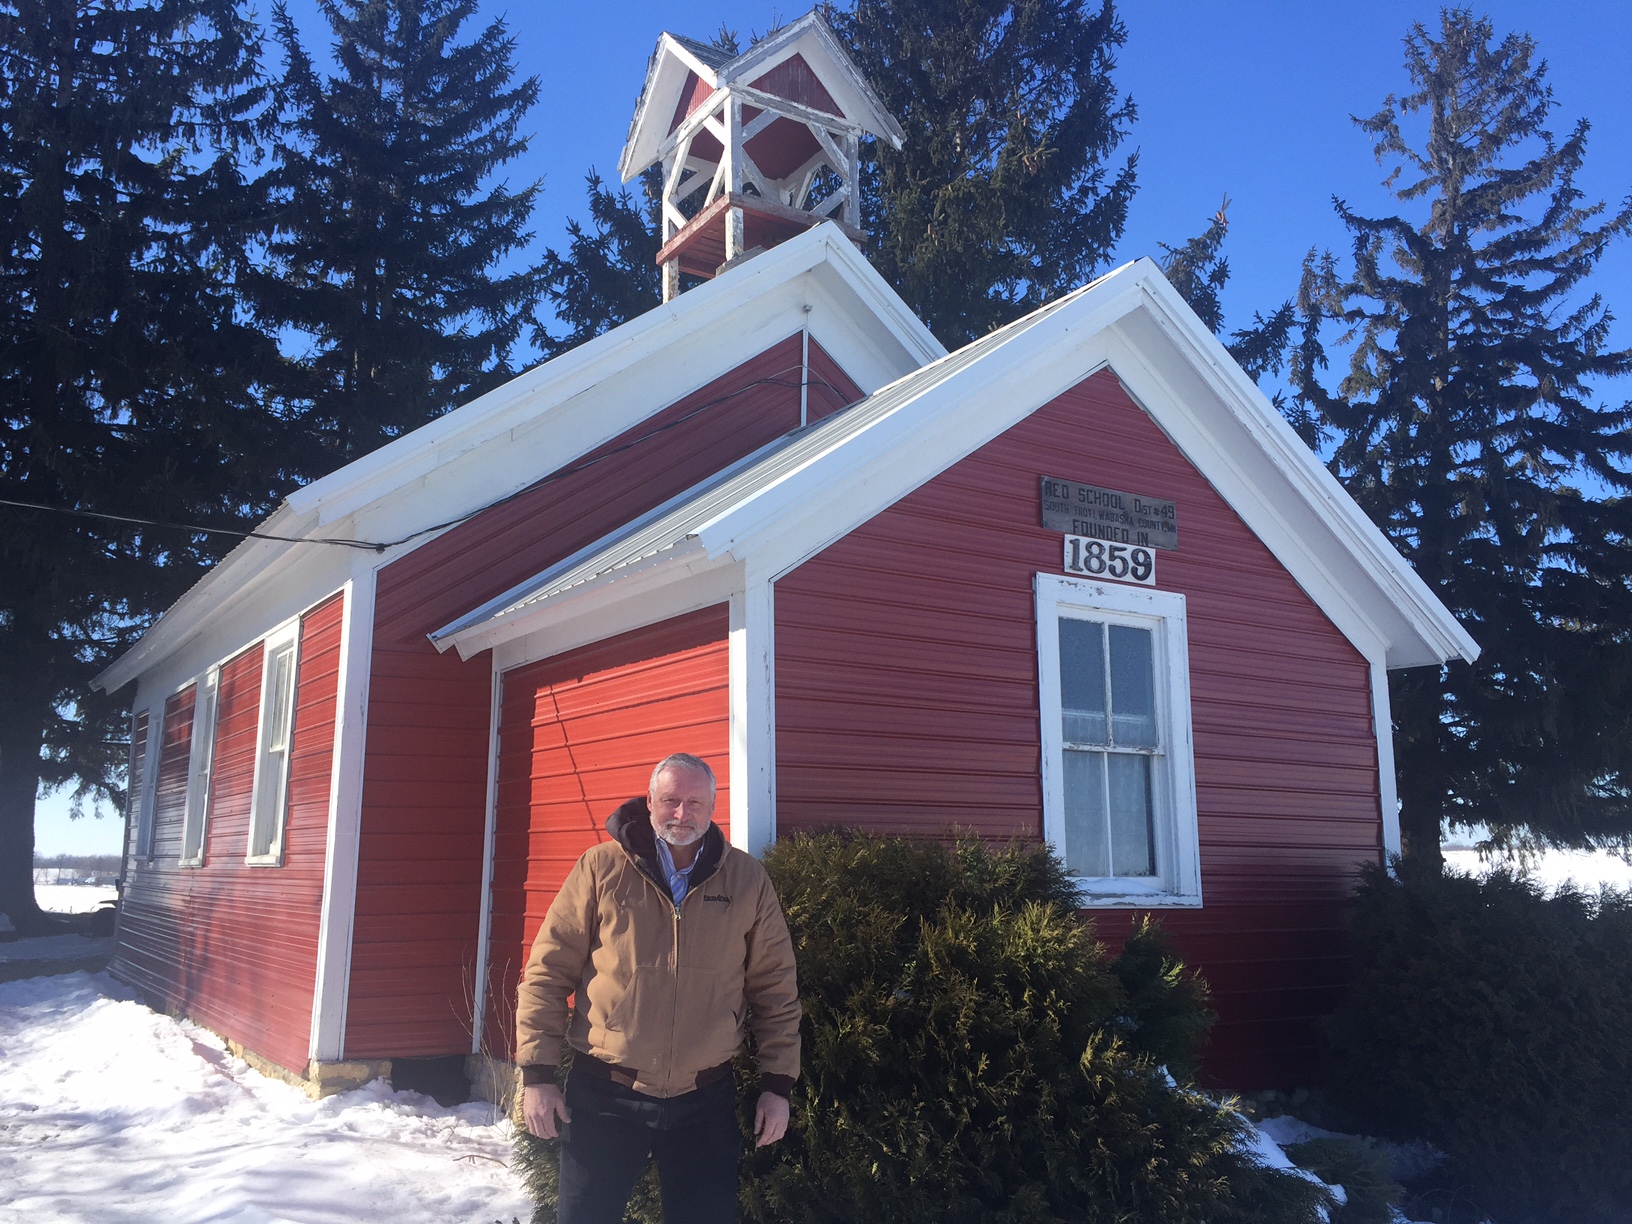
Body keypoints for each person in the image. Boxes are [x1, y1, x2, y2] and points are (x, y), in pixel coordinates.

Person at [516, 752, 801, 1224]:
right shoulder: (600, 869)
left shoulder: (747, 880)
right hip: (605, 1094)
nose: (681, 814)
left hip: (704, 1100)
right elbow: (547, 973)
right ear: (649, 801)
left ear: (713, 807)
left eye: (694, 802)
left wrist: (778, 1084)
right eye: (670, 800)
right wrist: (537, 1075)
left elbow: (776, 988)